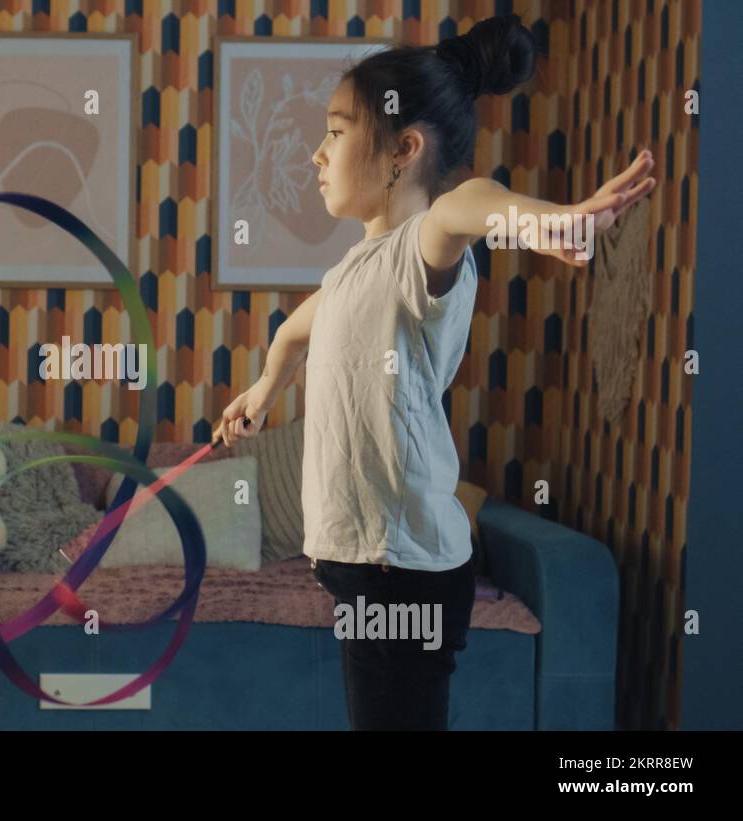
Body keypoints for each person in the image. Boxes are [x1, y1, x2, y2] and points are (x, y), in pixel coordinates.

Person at [213, 15, 656, 730]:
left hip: (403, 570)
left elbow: (472, 203)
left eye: (334, 131)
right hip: (366, 567)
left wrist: (554, 219)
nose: (315, 155)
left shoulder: (425, 242)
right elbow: (294, 331)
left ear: (403, 150)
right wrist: (266, 387)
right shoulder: (352, 269)